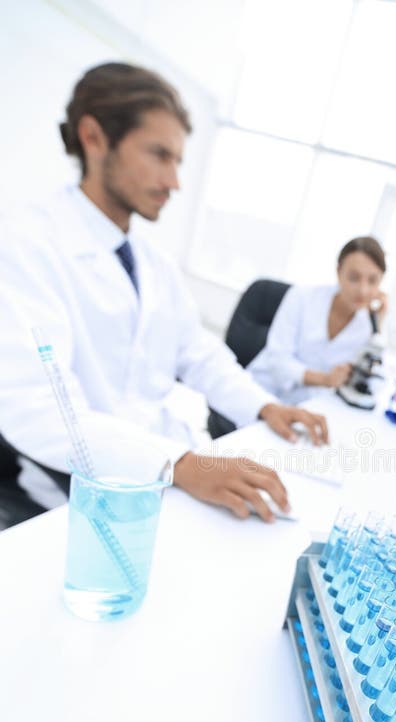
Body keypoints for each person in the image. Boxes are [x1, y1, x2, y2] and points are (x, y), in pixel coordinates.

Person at [0, 62, 327, 524]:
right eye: (159, 155)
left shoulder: (152, 263)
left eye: (177, 161)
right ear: (93, 138)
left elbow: (198, 352)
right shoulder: (25, 245)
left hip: (167, 467)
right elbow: (42, 409)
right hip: (78, 494)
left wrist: (264, 405)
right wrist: (177, 464)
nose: (174, 181)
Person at [247, 236, 388, 405]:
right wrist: (326, 379)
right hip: (261, 393)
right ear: (338, 272)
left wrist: (377, 325)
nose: (363, 291)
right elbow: (278, 361)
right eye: (354, 278)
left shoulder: (370, 325)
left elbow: (375, 382)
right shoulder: (302, 297)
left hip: (308, 407)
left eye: (372, 281)